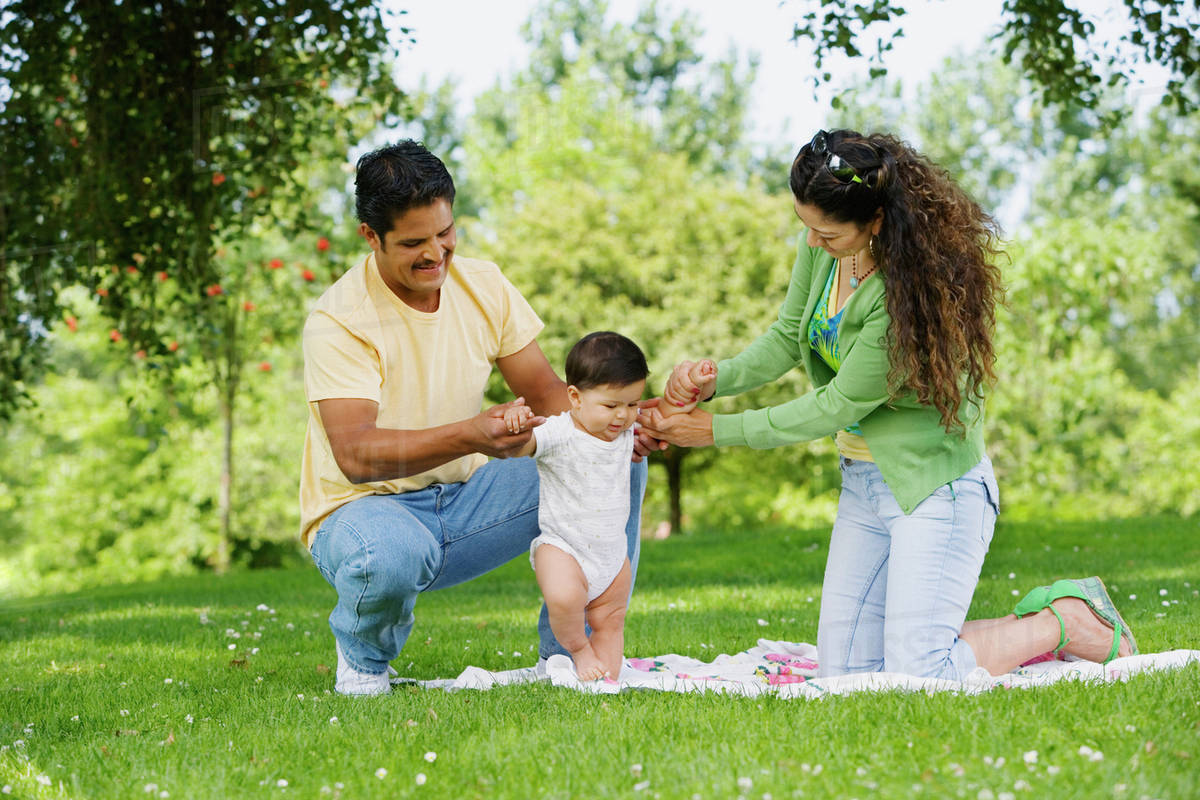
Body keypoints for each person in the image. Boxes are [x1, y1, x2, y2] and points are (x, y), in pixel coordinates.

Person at [639, 128, 1138, 679]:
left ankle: (1065, 620)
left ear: (876, 220)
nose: (811, 244)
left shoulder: (903, 299)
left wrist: (713, 431)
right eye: (805, 227)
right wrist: (716, 379)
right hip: (864, 483)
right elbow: (788, 335)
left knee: (919, 676)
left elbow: (835, 404)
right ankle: (946, 633)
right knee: (849, 676)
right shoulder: (827, 252)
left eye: (825, 234)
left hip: (934, 491)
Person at [300, 140, 649, 695]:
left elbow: (547, 394)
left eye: (445, 233)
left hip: (468, 506)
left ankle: (572, 654)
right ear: (370, 236)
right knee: (389, 553)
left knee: (615, 453)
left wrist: (621, 422)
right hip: (364, 516)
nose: (436, 254)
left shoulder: (482, 284)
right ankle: (364, 664)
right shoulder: (339, 320)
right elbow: (356, 455)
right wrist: (472, 435)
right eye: (414, 242)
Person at [502, 331, 649, 681]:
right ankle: (579, 651)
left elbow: (661, 424)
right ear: (575, 397)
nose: (622, 416)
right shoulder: (559, 432)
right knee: (566, 598)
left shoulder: (627, 432)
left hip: (612, 554)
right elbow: (522, 446)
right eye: (611, 406)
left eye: (632, 404)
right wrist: (517, 427)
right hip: (563, 547)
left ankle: (606, 679)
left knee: (611, 620)